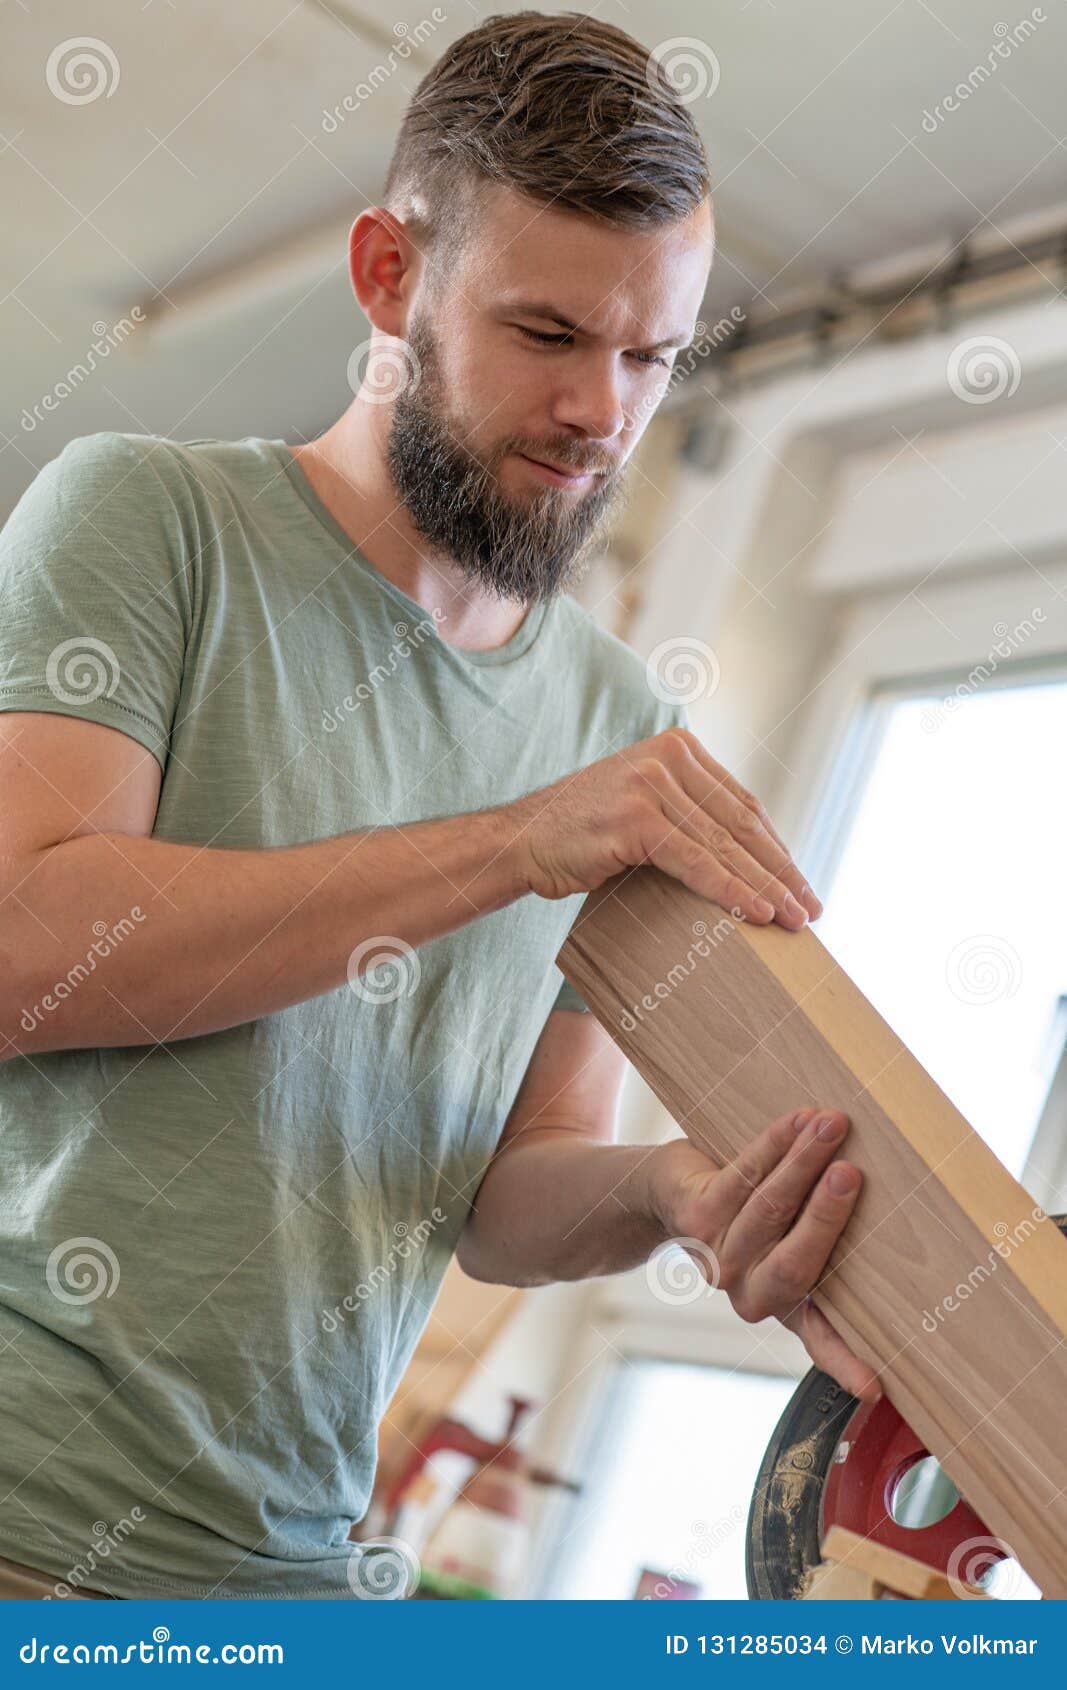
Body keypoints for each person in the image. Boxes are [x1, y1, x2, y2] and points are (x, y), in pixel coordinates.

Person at [0, 10, 877, 1601]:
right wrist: (514, 842)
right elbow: (20, 951)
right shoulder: (150, 519)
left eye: (650, 355)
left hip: (290, 1567)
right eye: (548, 334)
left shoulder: (619, 724)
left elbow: (512, 1188)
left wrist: (678, 1192)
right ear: (391, 277)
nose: (602, 414)